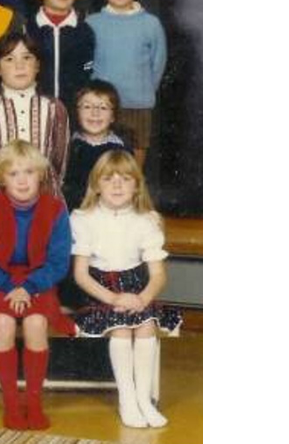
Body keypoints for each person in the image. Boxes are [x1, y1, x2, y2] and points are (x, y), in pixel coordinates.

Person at [0, 140, 73, 430]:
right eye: (13, 174)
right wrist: (7, 285)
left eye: (29, 172)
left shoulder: (55, 209)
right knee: (3, 323)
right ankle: (12, 404)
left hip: (39, 280)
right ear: (2, 178)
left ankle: (34, 403)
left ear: (40, 175)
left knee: (36, 323)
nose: (22, 180)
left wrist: (29, 286)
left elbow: (59, 261)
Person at [70, 150, 181, 428]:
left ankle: (144, 400)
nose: (117, 185)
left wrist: (143, 298)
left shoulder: (147, 219)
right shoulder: (84, 218)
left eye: (125, 179)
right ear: (96, 186)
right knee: (121, 327)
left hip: (136, 288)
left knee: (144, 326)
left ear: (136, 185)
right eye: (109, 179)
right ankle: (127, 399)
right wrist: (113, 297)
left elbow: (157, 274)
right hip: (99, 289)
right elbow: (81, 275)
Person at [0, 32, 69, 199]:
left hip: (45, 196)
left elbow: (59, 161)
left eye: (27, 58)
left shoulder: (54, 108)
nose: (19, 66)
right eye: (9, 59)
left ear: (37, 66)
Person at [87, 0, 166, 167]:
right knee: (102, 166)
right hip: (101, 107)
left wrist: (144, 92)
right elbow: (87, 64)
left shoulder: (150, 24)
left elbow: (157, 64)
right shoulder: (92, 23)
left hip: (138, 105)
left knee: (132, 170)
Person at [26, 0, 95, 113]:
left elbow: (86, 75)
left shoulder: (84, 31)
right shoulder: (28, 29)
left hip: (72, 111)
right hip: (36, 110)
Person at [62, 80, 131, 209]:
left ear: (113, 116)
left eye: (103, 107)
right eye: (87, 106)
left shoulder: (122, 150)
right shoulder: (67, 147)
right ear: (76, 113)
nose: (95, 113)